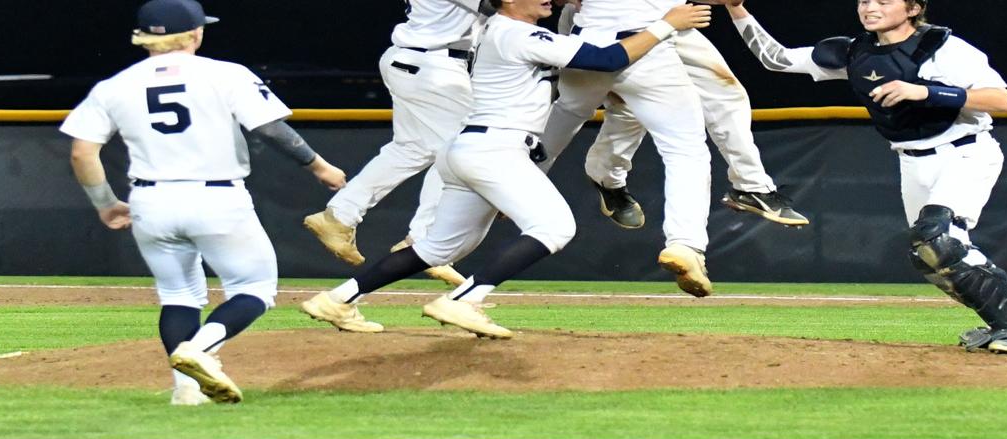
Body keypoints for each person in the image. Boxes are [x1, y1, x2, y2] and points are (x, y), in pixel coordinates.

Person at [301, 0, 713, 338]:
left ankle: (338, 299)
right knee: (554, 229)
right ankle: (464, 300)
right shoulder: (517, 33)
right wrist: (665, 25)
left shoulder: (499, 31)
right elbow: (606, 58)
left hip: (472, 149)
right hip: (495, 150)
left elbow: (586, 73)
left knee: (435, 249)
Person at [727, 0, 1007, 353]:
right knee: (929, 256)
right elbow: (775, 59)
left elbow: (1003, 100)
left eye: (883, 1)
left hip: (965, 151)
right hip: (912, 162)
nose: (870, 7)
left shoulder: (944, 48)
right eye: (864, 1)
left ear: (913, 8)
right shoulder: (855, 52)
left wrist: (925, 91)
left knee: (939, 239)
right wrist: (737, 9)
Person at [60, 0, 347, 404]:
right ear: (195, 34)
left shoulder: (114, 85)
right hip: (215, 196)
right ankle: (201, 347)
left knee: (178, 296)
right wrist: (318, 166)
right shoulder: (224, 74)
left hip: (150, 201)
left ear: (143, 37)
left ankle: (186, 391)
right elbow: (270, 128)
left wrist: (105, 202)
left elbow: (81, 152)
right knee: (255, 288)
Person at [537, 0, 734, 297]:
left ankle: (502, 191)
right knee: (685, 150)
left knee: (565, 115)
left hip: (585, 39)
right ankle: (685, 245)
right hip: (646, 47)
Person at [554, 0, 807, 230]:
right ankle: (605, 178)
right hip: (600, 25)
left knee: (727, 94)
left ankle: (751, 187)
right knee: (625, 110)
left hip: (669, 22)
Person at [302, 0, 499, 288]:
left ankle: (339, 216)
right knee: (461, 149)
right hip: (433, 64)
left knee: (410, 149)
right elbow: (500, 4)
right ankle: (426, 239)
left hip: (420, 61)